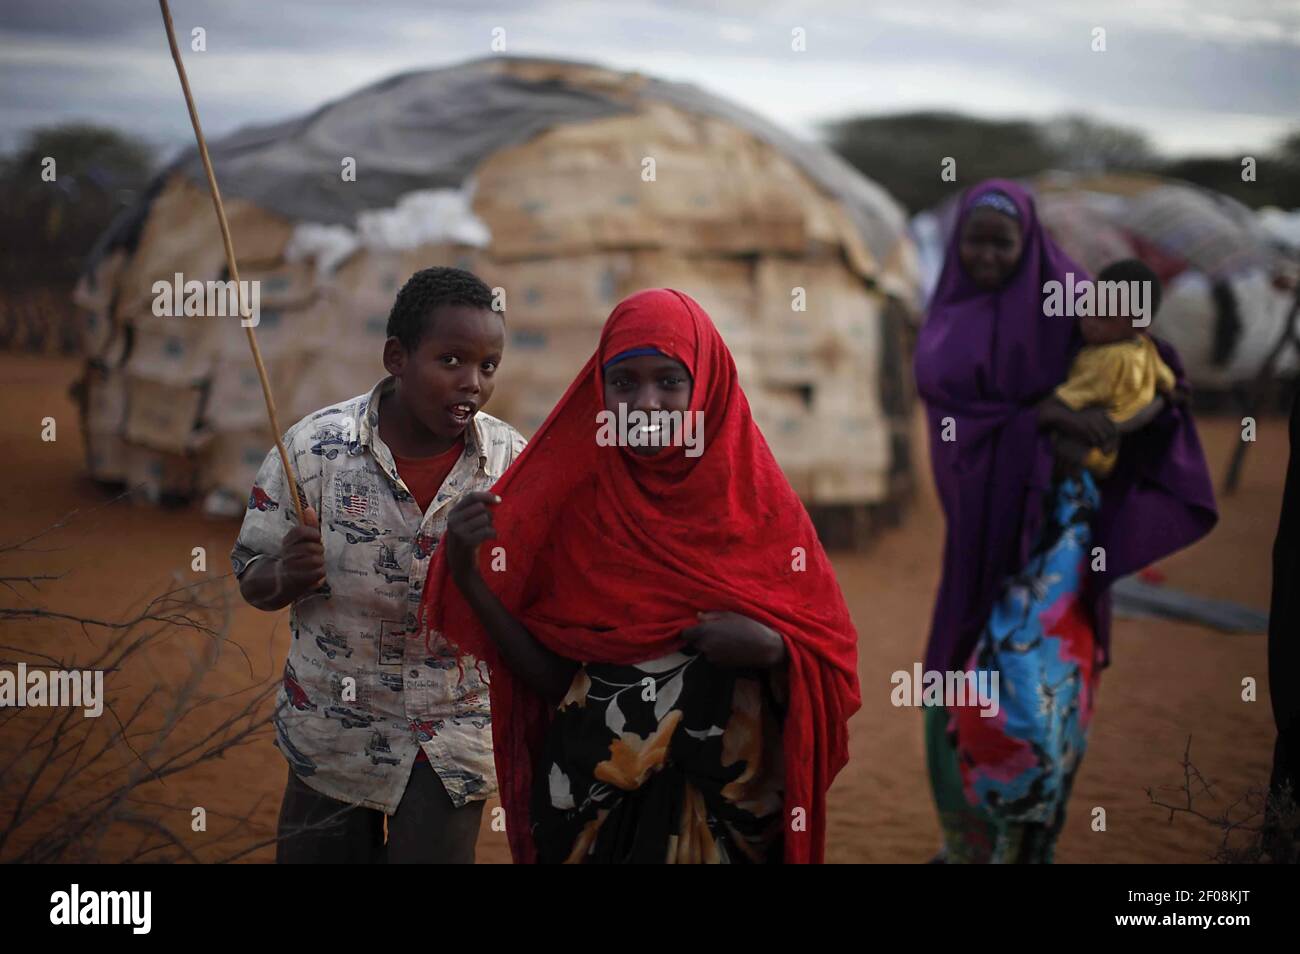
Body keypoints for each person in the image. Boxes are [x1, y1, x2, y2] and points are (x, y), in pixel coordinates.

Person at [421, 288, 861, 864]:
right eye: (624, 383)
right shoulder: (575, 513)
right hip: (596, 818)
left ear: (707, 385)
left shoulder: (763, 514)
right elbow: (557, 685)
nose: (645, 403)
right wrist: (468, 578)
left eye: (669, 382)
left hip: (730, 820)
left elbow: (834, 658)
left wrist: (774, 649)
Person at [915, 181, 1217, 863]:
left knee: (1050, 678)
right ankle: (964, 842)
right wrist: (1043, 418)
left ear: (1030, 242)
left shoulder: (1070, 298)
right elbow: (956, 425)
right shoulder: (947, 321)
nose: (989, 255)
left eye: (1003, 241)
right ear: (958, 244)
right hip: (980, 528)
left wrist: (1135, 398)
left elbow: (1144, 353)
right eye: (976, 240)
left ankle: (1029, 841)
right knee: (962, 672)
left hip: (1062, 536)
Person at [231, 266, 526, 863]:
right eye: (451, 361)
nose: (472, 382)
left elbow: (530, 604)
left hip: (450, 742)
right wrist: (284, 577)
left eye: (487, 366)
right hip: (331, 734)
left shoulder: (512, 467)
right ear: (397, 356)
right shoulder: (313, 451)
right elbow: (252, 578)